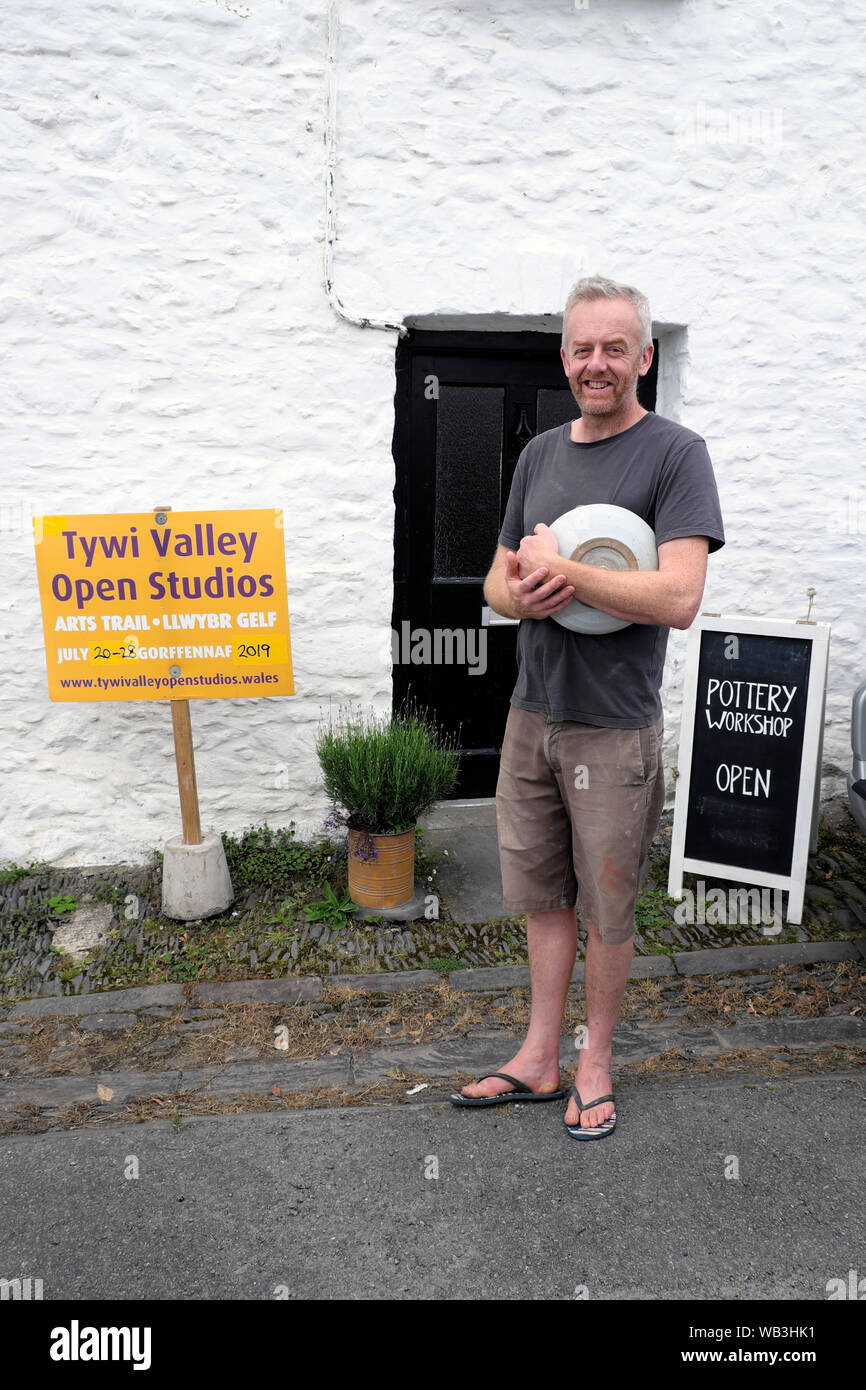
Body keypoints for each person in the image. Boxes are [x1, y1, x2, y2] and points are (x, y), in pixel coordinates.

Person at [451, 274, 725, 1139]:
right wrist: (523, 592)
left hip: (614, 725)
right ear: (562, 356)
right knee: (542, 895)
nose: (596, 363)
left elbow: (680, 595)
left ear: (644, 355)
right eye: (581, 348)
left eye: (615, 347)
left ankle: (595, 1062)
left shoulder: (677, 454)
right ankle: (537, 1058)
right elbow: (497, 578)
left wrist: (565, 573)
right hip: (533, 711)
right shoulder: (539, 456)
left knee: (608, 905)